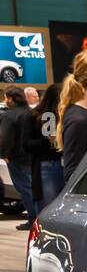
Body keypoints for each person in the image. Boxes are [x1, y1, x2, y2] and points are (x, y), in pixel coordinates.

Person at [23, 84, 64, 215]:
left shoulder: (66, 115)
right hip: (47, 164)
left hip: (66, 163)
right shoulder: (37, 116)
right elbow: (27, 144)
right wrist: (48, 141)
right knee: (48, 207)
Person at [0, 86, 35, 229]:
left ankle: (33, 219)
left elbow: (5, 138)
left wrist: (3, 155)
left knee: (25, 189)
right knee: (33, 188)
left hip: (16, 158)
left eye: (5, 97)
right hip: (33, 156)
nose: (4, 100)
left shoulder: (9, 115)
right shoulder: (31, 112)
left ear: (11, 98)